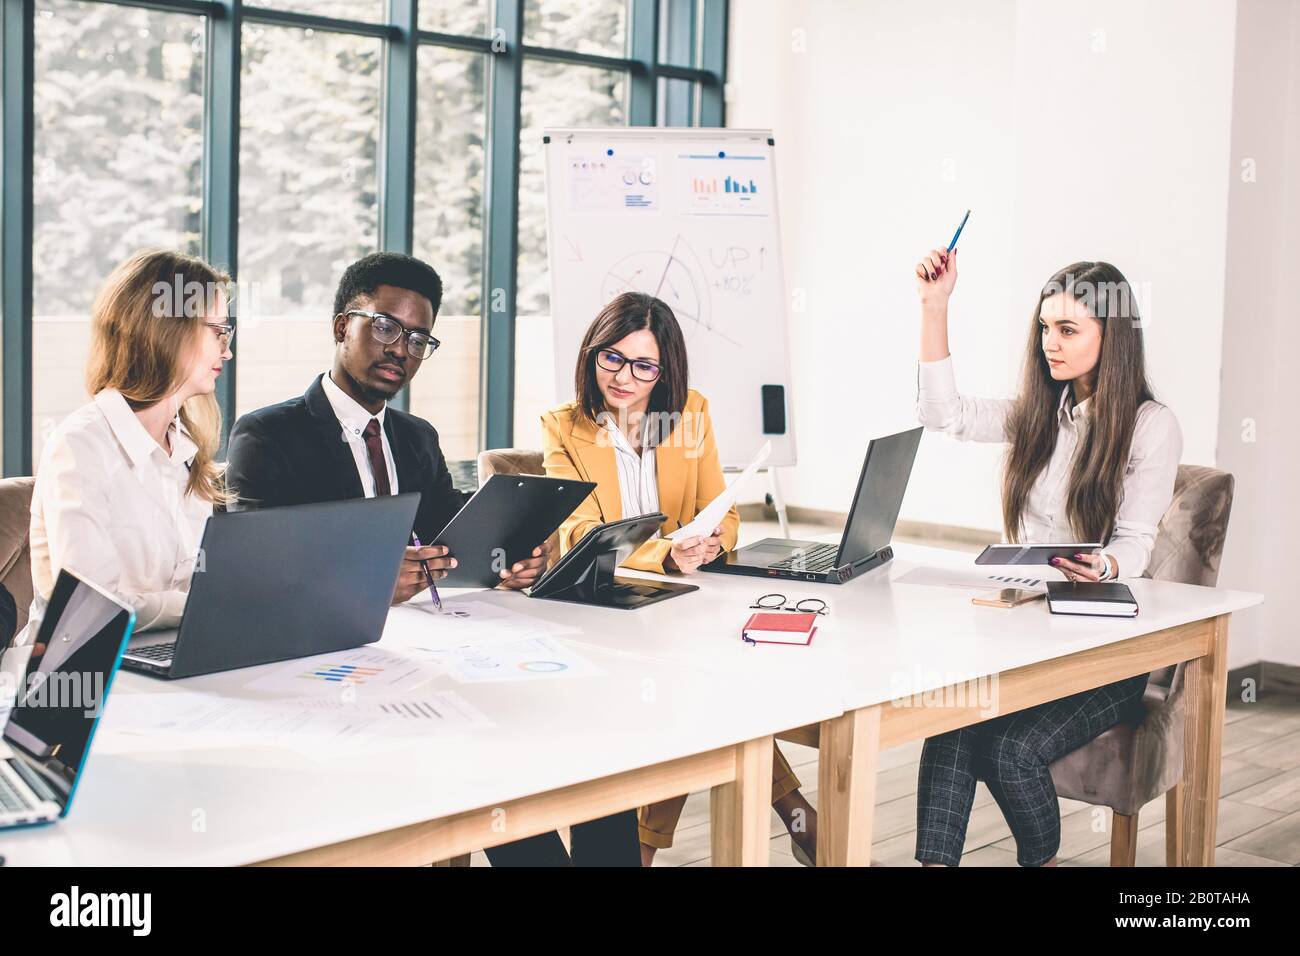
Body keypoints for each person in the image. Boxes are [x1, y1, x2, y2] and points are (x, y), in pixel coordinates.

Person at [226, 252, 638, 866]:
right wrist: (366, 582)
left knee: (597, 749)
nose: (402, 349)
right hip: (329, 672)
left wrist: (510, 562)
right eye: (387, 327)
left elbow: (456, 535)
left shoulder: (416, 438)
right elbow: (258, 576)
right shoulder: (266, 435)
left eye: (419, 338)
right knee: (493, 755)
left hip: (429, 654)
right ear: (344, 325)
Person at [912, 248, 1181, 867]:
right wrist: (935, 306)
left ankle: (1041, 860)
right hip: (1028, 637)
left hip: (1105, 652)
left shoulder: (1150, 425)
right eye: (1043, 328)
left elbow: (1137, 542)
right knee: (949, 727)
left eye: (1067, 330)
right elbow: (941, 413)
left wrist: (1106, 565)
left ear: (1109, 336)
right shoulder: (1042, 412)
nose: (1048, 344)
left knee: (1009, 750)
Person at [541, 291, 819, 866]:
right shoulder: (564, 427)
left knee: (711, 677)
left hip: (683, 599)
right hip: (602, 609)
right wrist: (667, 555)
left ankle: (643, 846)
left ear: (664, 372)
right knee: (701, 683)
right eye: (611, 358)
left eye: (644, 366)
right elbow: (580, 535)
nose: (624, 377)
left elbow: (727, 511)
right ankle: (793, 812)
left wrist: (715, 539)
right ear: (591, 353)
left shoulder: (689, 412)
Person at [16, 249, 233, 648]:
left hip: (170, 652)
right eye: (218, 331)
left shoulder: (184, 448)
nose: (227, 349)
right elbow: (92, 608)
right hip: (77, 673)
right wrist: (200, 605)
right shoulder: (81, 445)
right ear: (169, 331)